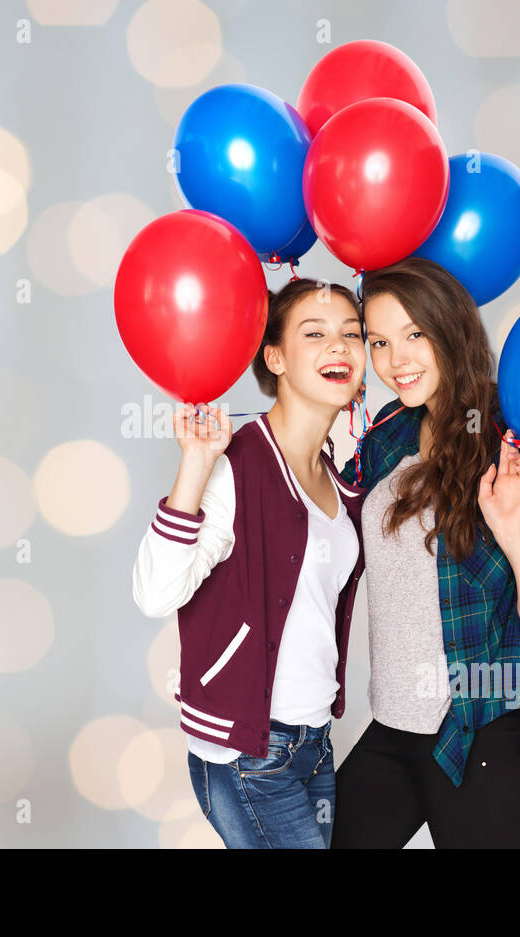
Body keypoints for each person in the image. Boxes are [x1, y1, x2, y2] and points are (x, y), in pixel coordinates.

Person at [332, 257, 520, 849]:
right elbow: (327, 525)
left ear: (451, 329)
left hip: (477, 732)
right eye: (380, 341)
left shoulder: (519, 443)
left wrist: (512, 529)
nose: (397, 361)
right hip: (394, 724)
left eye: (415, 335)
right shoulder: (389, 429)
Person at [132, 277, 367, 848]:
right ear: (276, 357)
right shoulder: (238, 464)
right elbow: (156, 593)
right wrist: (196, 464)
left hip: (313, 743)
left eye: (352, 334)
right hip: (247, 751)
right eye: (315, 334)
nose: (339, 347)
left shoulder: (344, 484)